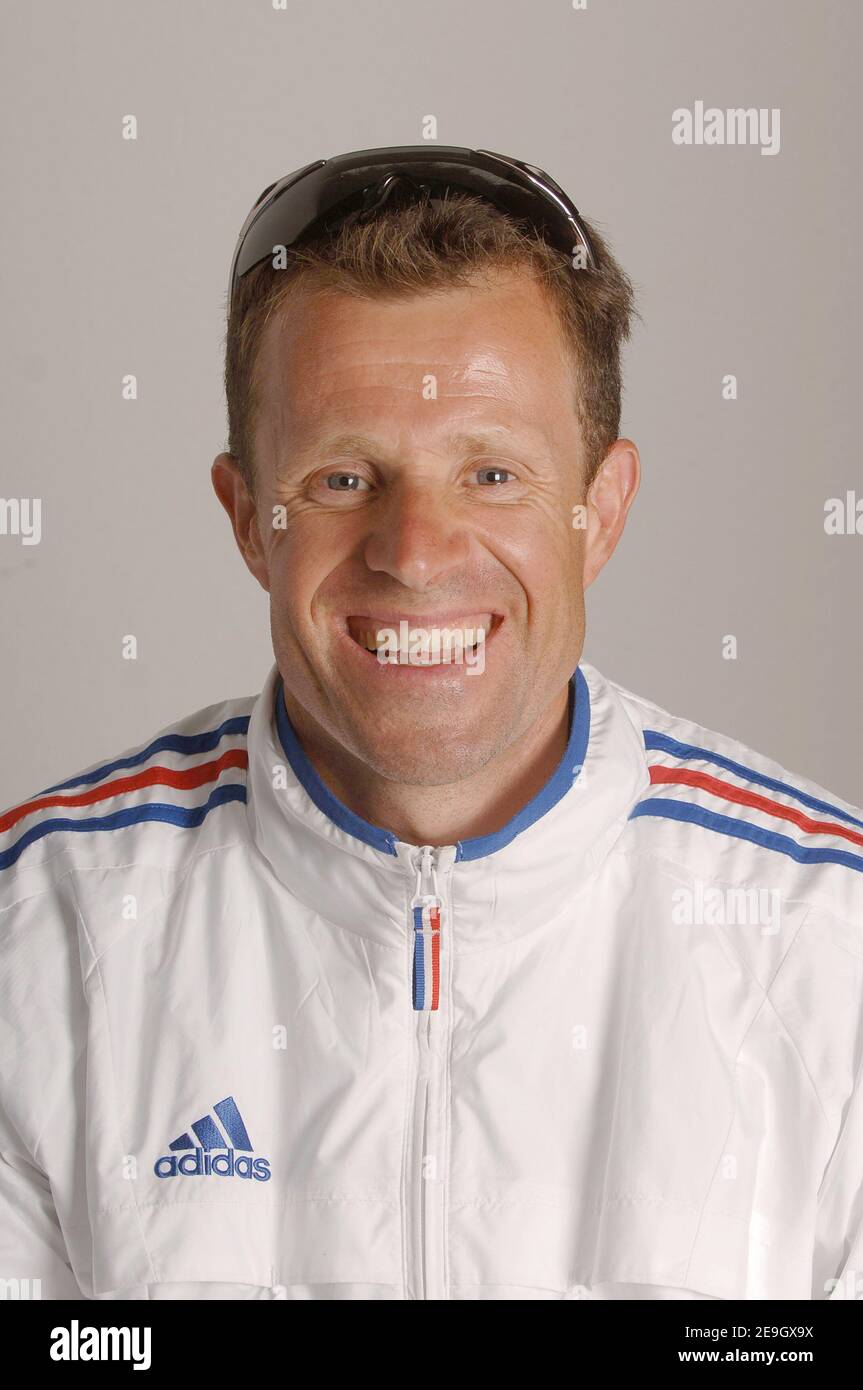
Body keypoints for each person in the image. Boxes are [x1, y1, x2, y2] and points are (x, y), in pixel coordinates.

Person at [1, 147, 860, 1302]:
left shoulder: (825, 942)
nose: (414, 555)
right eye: (343, 479)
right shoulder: (39, 932)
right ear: (248, 519)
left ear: (598, 512)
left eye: (492, 474)